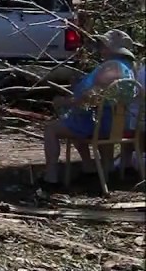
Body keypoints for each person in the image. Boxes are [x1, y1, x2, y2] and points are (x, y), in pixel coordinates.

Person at [40, 29, 137, 188]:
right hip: (117, 123)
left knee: (51, 129)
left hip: (100, 123)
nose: (100, 48)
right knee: (72, 121)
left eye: (103, 45)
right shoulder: (128, 68)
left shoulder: (111, 68)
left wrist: (67, 102)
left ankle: (51, 177)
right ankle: (91, 168)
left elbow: (92, 96)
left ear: (111, 49)